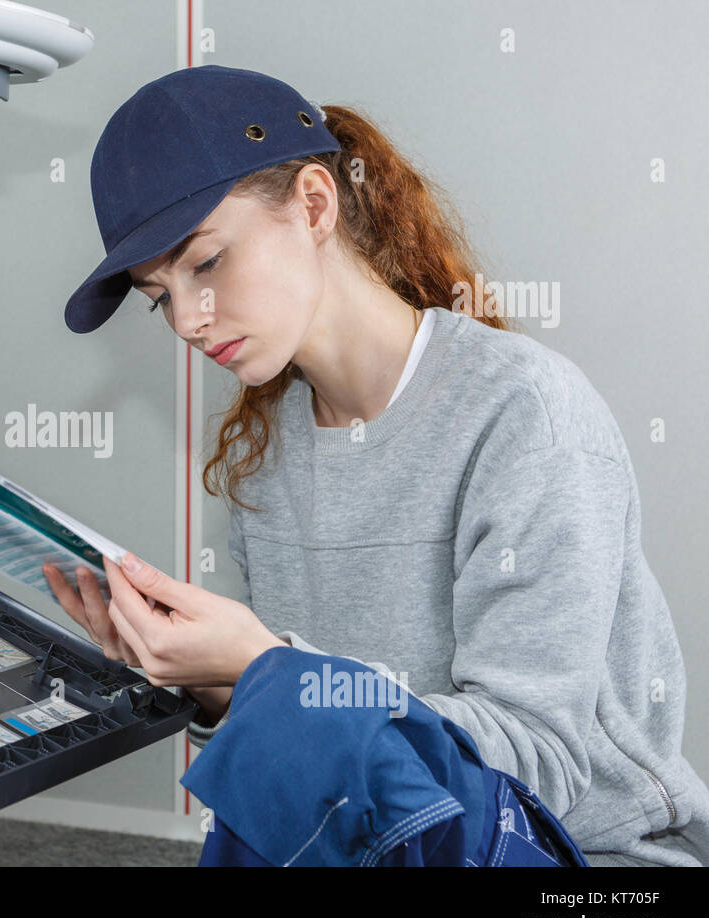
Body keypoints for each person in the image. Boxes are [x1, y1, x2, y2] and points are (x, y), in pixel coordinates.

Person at [43, 64, 709, 866]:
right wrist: (212, 677)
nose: (187, 319)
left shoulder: (523, 412)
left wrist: (275, 673)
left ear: (315, 205)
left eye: (206, 262)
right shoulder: (265, 457)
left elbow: (538, 765)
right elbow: (334, 750)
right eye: (159, 296)